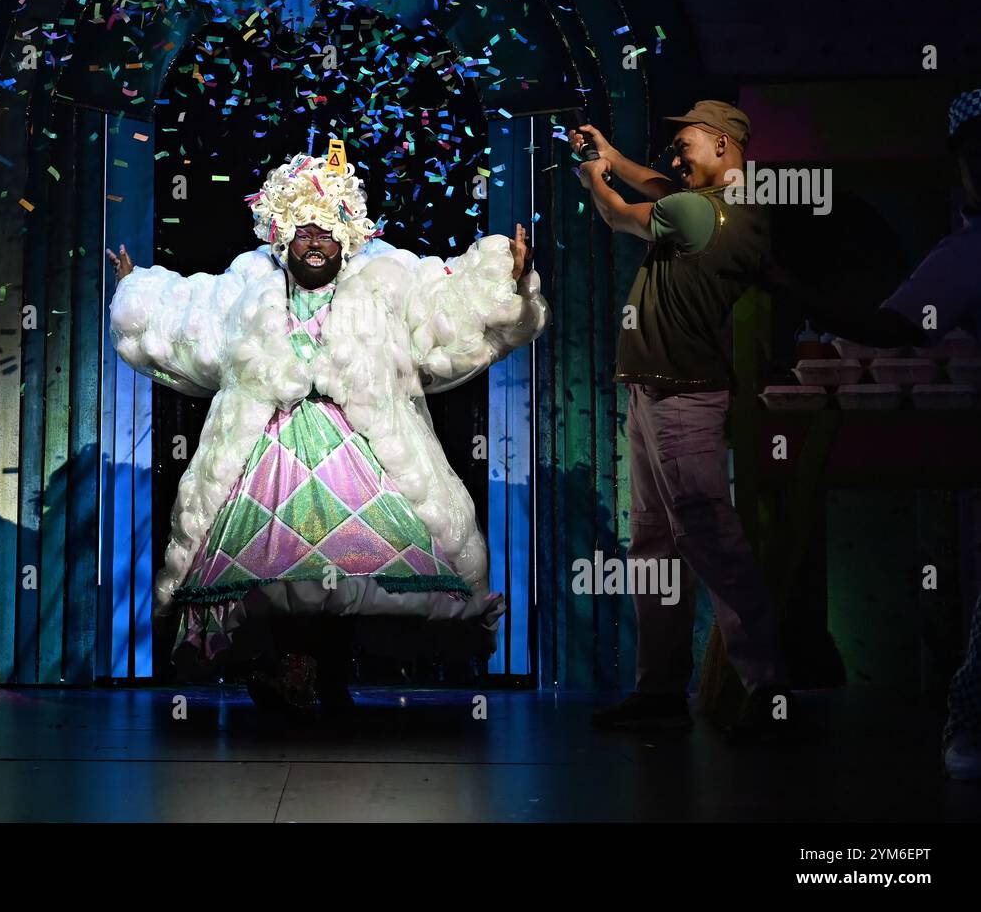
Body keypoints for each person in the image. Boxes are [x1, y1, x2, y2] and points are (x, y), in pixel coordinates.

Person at [108, 145, 548, 714]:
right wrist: (138, 291)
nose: (315, 242)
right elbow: (191, 315)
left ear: (347, 236)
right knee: (283, 572)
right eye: (303, 231)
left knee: (351, 571)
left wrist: (502, 275)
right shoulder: (252, 284)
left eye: (327, 231)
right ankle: (295, 671)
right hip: (270, 450)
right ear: (282, 236)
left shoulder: (382, 279)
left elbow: (441, 305)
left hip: (361, 449)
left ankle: (324, 676)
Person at [763, 89, 981, 778]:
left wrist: (791, 289)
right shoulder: (965, 253)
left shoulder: (967, 251)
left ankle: (970, 731)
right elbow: (896, 326)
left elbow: (893, 327)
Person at [569, 101, 791, 742]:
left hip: (678, 400)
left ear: (722, 144)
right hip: (662, 394)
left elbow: (619, 214)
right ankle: (662, 690)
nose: (675, 152)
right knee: (656, 547)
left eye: (686, 139)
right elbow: (664, 188)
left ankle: (766, 686)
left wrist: (592, 171)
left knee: (705, 538)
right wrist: (614, 155)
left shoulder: (697, 211)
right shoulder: (736, 208)